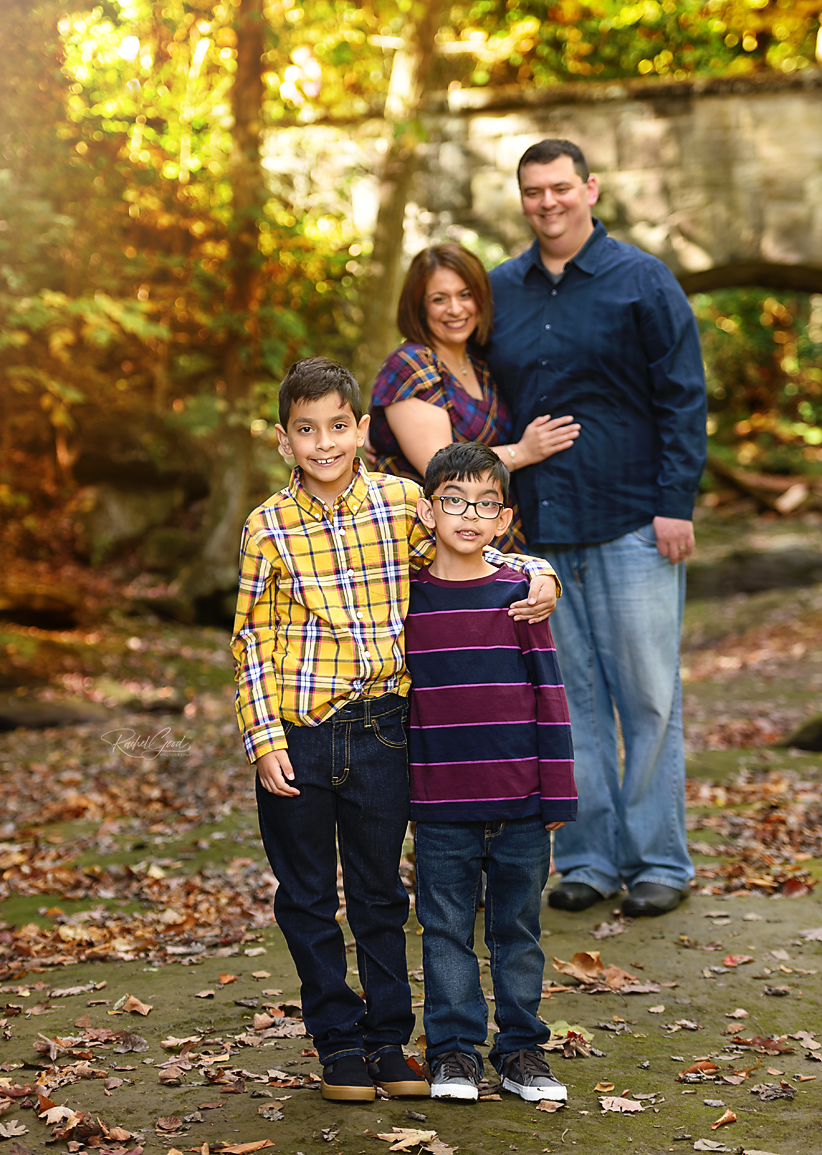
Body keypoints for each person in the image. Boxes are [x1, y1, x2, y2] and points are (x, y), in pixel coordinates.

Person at [230, 357, 561, 1103]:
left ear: (362, 429)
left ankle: (387, 1040)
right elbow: (250, 638)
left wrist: (539, 571)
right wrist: (263, 738)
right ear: (284, 441)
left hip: (384, 730)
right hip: (299, 729)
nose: (325, 444)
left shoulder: (400, 502)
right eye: (307, 431)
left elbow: (465, 550)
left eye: (338, 427)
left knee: (380, 893)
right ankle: (338, 1043)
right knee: (308, 894)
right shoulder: (266, 528)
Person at [486, 139, 707, 919]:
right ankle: (585, 858)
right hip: (540, 531)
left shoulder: (642, 280)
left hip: (630, 523)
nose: (547, 203)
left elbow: (683, 395)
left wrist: (675, 503)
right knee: (568, 701)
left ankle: (658, 861)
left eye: (560, 188)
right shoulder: (499, 290)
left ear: (591, 189)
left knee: (647, 698)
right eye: (532, 192)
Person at [406, 441, 577, 1104]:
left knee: (518, 931)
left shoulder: (520, 597)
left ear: (504, 519)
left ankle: (522, 1051)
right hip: (442, 804)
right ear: (428, 511)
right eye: (454, 500)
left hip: (522, 804)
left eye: (485, 503)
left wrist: (557, 791)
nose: (469, 514)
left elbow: (549, 695)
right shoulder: (409, 600)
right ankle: (452, 1053)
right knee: (446, 931)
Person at [370, 242, 580, 553]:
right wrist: (522, 452)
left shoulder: (480, 362)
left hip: (493, 546)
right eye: (439, 299)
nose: (455, 309)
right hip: (430, 552)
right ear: (419, 306)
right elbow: (439, 469)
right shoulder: (412, 364)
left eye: (465, 295)